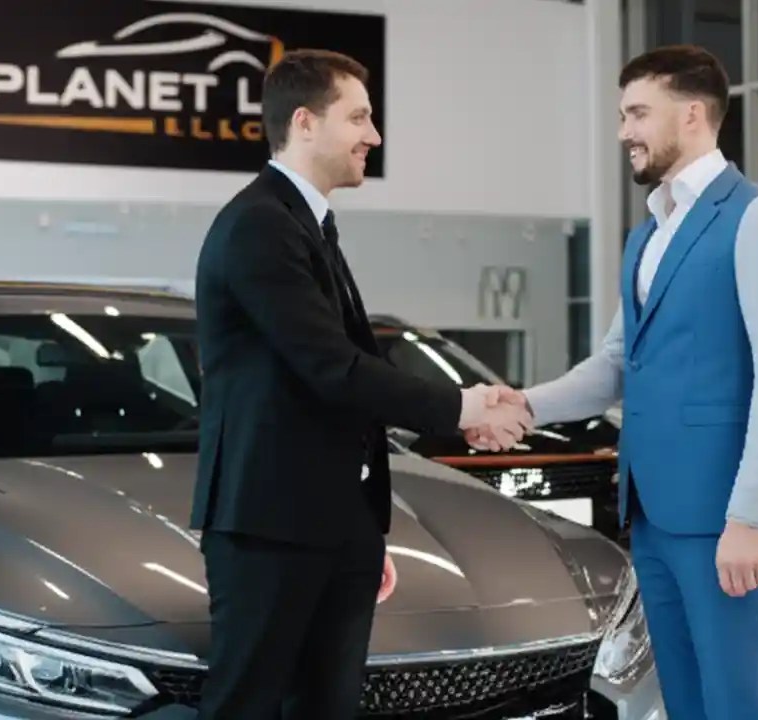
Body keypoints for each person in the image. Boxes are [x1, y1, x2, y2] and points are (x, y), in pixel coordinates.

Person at [190, 48, 532, 720]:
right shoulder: (260, 225)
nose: (373, 137)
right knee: (247, 705)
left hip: (330, 523)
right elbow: (331, 367)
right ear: (305, 123)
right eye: (360, 118)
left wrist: (356, 527)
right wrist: (464, 405)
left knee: (328, 705)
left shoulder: (309, 224)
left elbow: (341, 372)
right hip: (271, 527)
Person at [474, 45, 758, 720]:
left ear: (692, 114)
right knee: (677, 701)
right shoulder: (648, 235)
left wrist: (750, 516)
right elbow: (613, 367)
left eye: (637, 113)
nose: (624, 130)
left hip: (722, 516)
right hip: (651, 512)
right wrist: (523, 405)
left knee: (736, 700)